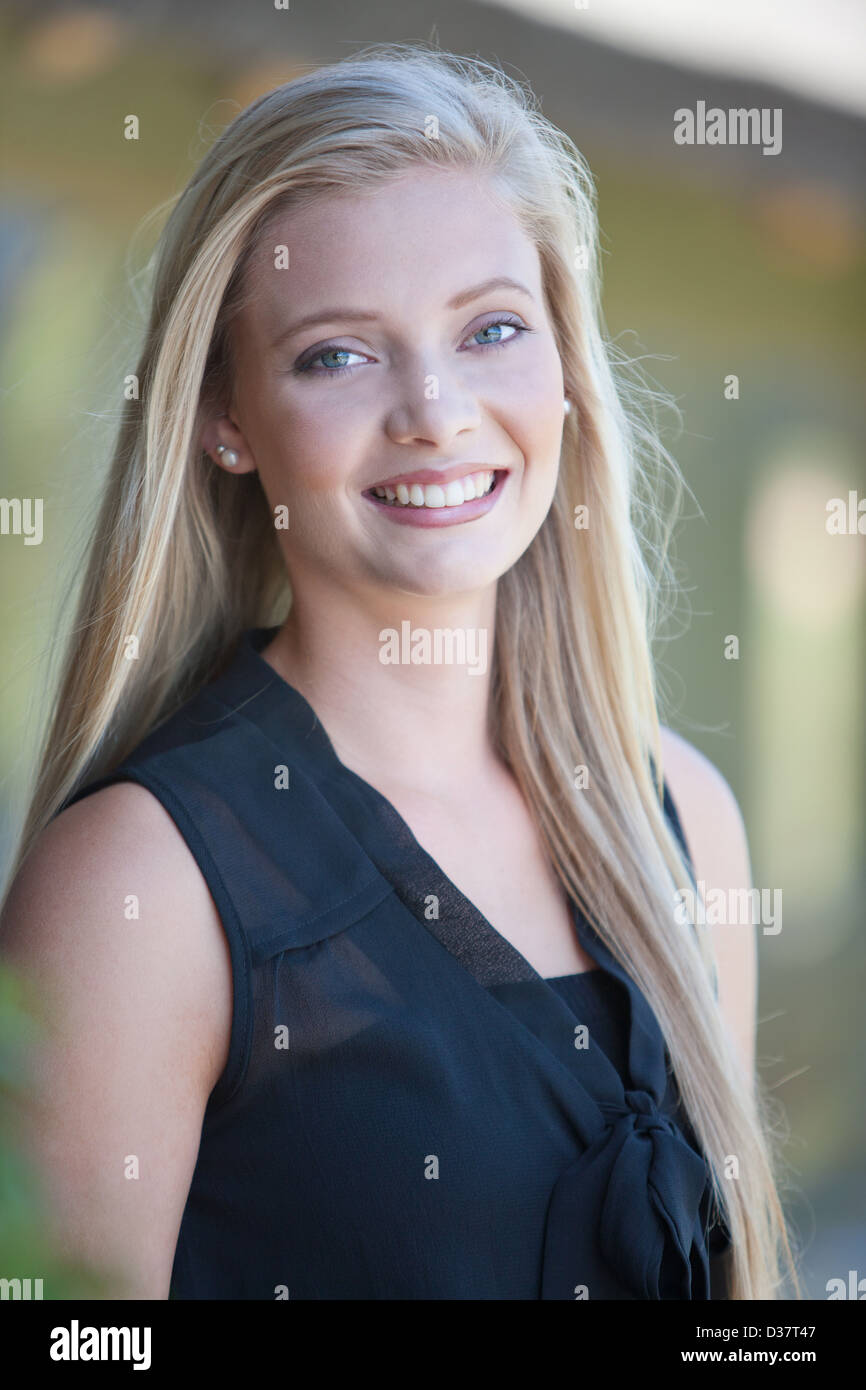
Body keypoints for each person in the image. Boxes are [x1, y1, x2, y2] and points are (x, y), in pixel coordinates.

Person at [0, 42, 798, 1300]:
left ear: (563, 365)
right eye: (337, 353)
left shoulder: (682, 821)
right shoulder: (141, 885)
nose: (434, 408)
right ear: (224, 416)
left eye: (489, 328)